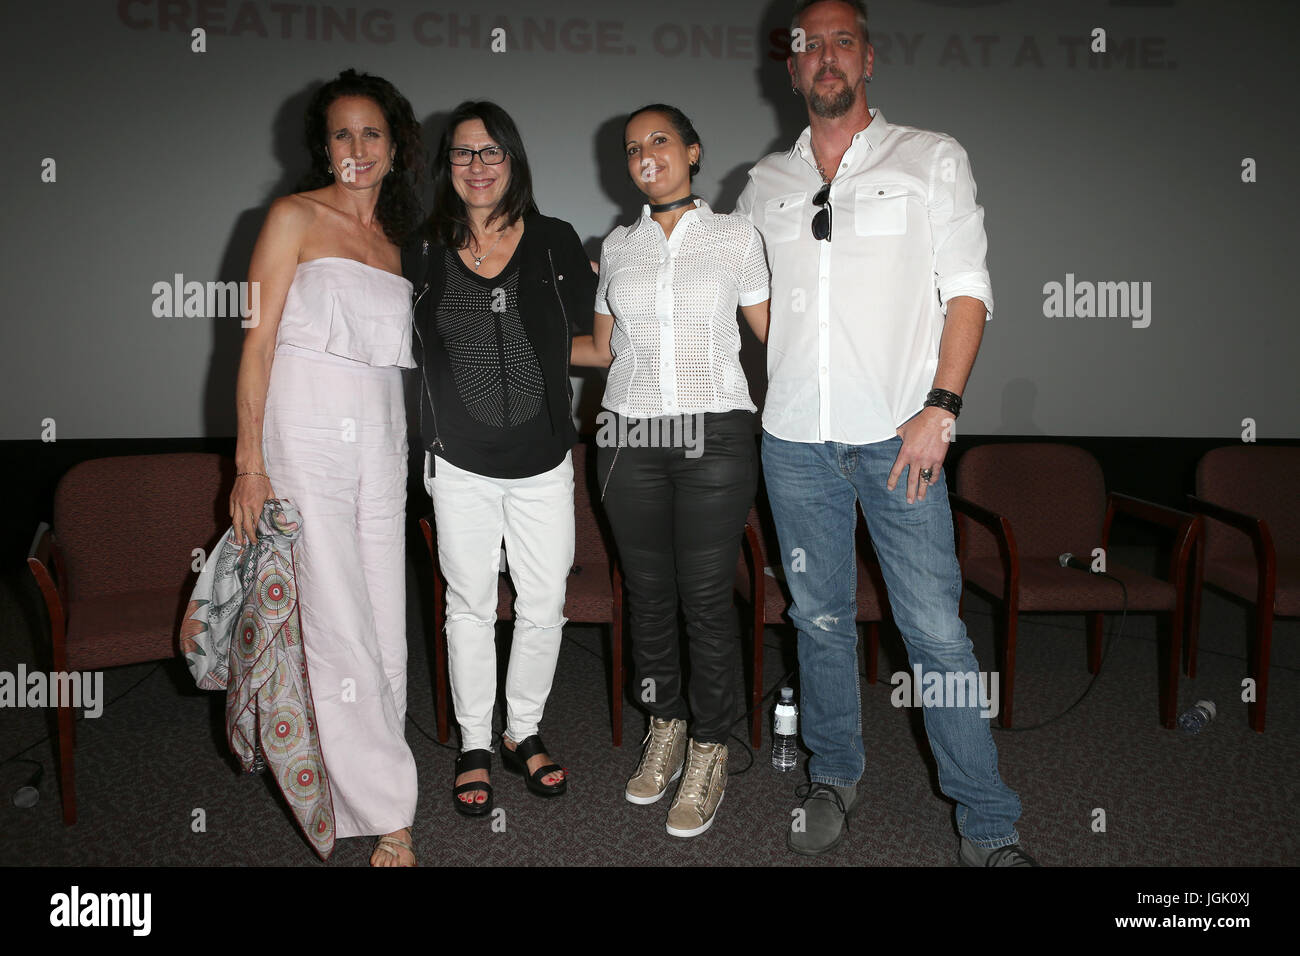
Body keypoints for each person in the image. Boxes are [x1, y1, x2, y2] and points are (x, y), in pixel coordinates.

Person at [735, 0, 1036, 864]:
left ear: (869, 59)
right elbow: (762, 305)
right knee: (818, 620)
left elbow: (968, 291)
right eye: (807, 46)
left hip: (903, 440)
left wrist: (941, 405)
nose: (823, 57)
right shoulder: (764, 182)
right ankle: (833, 774)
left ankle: (987, 824)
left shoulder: (931, 157)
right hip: (793, 443)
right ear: (787, 68)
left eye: (841, 42)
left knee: (934, 631)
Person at [230, 68, 423, 866]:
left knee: (384, 620)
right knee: (336, 620)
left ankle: (365, 789)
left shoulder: (396, 241)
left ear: (393, 143)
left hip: (382, 437)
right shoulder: (292, 217)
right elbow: (256, 342)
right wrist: (248, 463)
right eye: (341, 133)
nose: (356, 147)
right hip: (304, 434)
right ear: (324, 145)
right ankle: (390, 813)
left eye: (370, 132)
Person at [572, 104, 770, 838]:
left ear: (692, 150)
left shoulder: (735, 235)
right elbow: (600, 350)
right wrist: (508, 337)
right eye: (632, 147)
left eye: (660, 140)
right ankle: (667, 726)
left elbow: (773, 336)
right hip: (625, 434)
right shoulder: (616, 245)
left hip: (712, 431)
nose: (645, 154)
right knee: (648, 597)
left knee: (706, 598)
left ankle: (712, 746)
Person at [406, 101, 595, 817]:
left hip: (544, 459)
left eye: (491, 152)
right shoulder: (419, 248)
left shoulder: (553, 239)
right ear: (444, 166)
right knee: (469, 606)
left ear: (513, 161)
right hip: (458, 462)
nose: (477, 166)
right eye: (462, 153)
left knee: (544, 605)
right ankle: (476, 743)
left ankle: (524, 730)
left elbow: (599, 334)